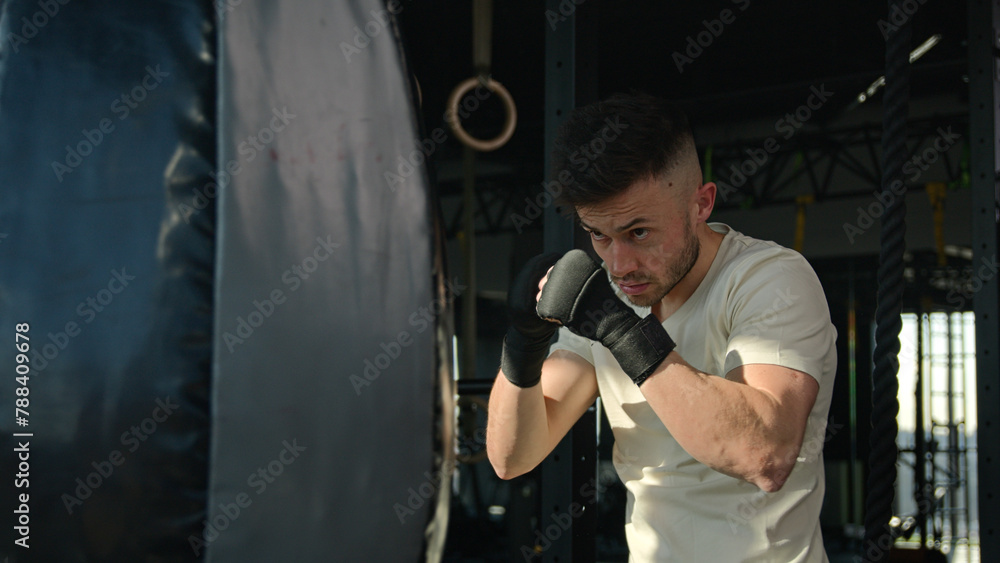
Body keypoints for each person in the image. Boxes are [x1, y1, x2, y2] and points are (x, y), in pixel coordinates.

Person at [485, 92, 837, 562]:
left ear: (702, 204)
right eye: (598, 235)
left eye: (639, 233)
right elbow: (513, 457)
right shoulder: (610, 294)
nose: (618, 263)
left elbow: (764, 456)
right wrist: (522, 345)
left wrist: (622, 333)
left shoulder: (768, 279)